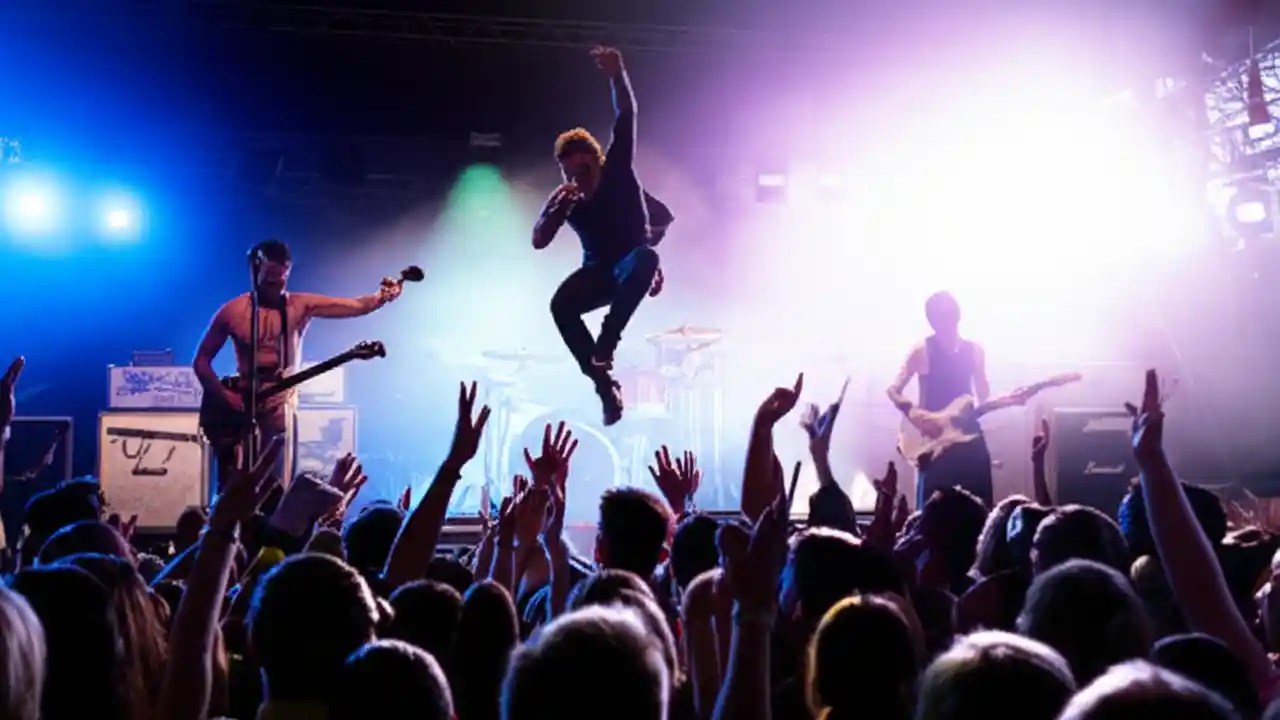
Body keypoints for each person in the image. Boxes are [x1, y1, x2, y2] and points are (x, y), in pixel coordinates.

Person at [532, 46, 674, 426]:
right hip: (598, 272)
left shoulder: (618, 169)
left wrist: (617, 74)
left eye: (577, 170)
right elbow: (539, 241)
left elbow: (626, 114)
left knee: (646, 258)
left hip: (629, 263)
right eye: (565, 173)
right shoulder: (568, 199)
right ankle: (602, 384)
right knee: (560, 305)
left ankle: (607, 342)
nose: (571, 179)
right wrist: (554, 211)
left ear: (595, 160)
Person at [193, 238, 402, 492]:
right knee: (235, 481)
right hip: (243, 402)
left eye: (281, 276)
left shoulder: (301, 306)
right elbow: (202, 361)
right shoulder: (233, 311)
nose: (275, 283)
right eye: (269, 276)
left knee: (274, 478)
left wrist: (382, 296)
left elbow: (356, 306)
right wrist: (225, 396)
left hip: (280, 401)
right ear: (255, 270)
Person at [886, 291, 994, 506]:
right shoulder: (921, 350)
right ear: (931, 321)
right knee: (932, 507)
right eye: (939, 315)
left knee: (977, 504)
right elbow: (893, 389)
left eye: (949, 313)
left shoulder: (975, 351)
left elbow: (983, 395)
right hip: (935, 439)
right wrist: (913, 414)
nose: (946, 319)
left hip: (967, 435)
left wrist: (999, 398)